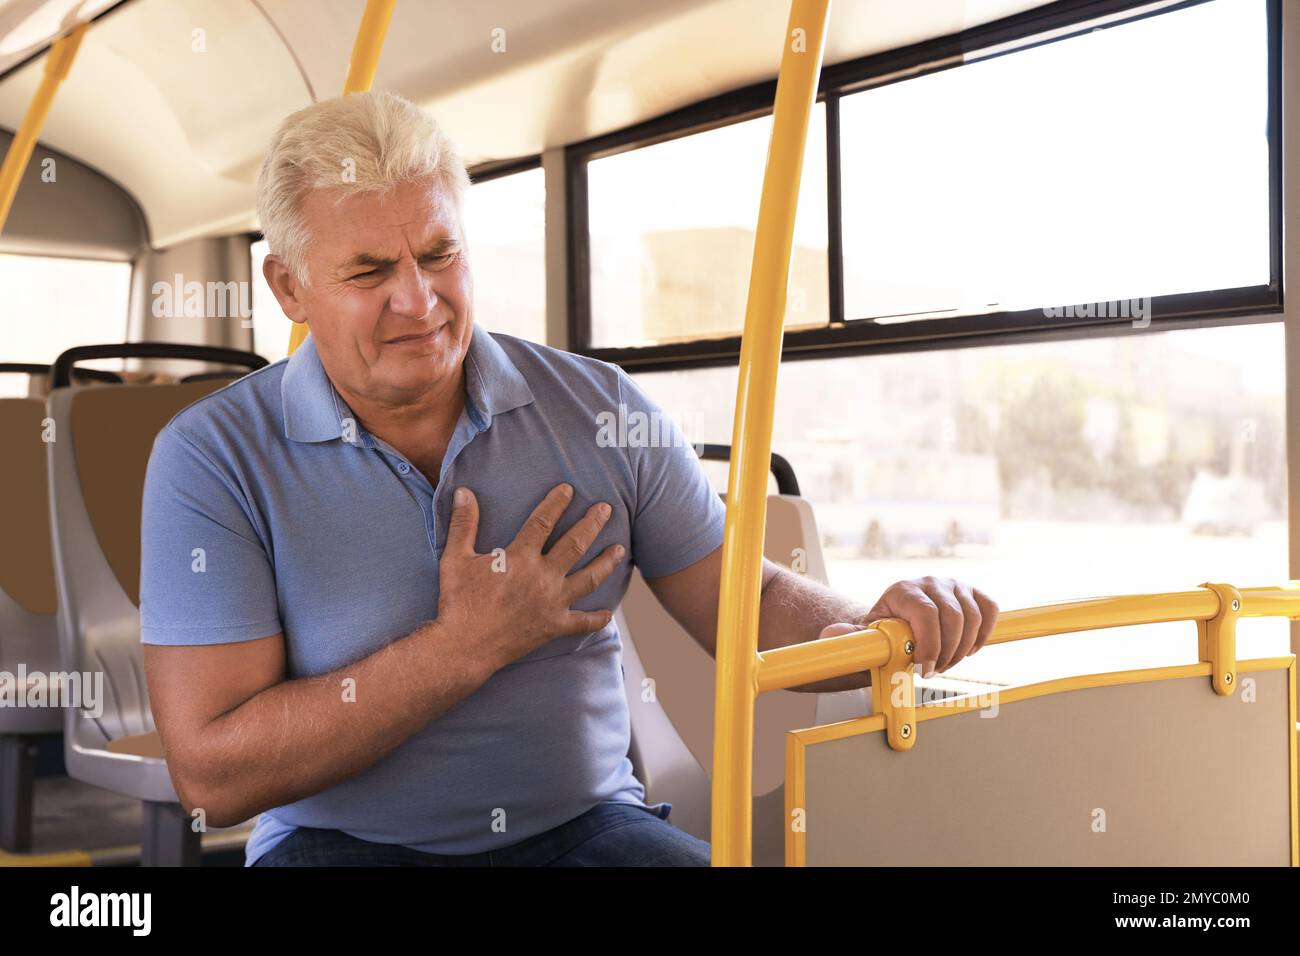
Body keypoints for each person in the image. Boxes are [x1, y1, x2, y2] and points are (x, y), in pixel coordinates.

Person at [139, 90, 998, 867]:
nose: (420, 299)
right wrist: (460, 649)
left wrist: (873, 621)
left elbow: (745, 604)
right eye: (370, 272)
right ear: (287, 286)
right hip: (341, 847)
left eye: (439, 254)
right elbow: (214, 776)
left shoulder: (599, 409)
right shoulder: (211, 459)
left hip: (587, 832)